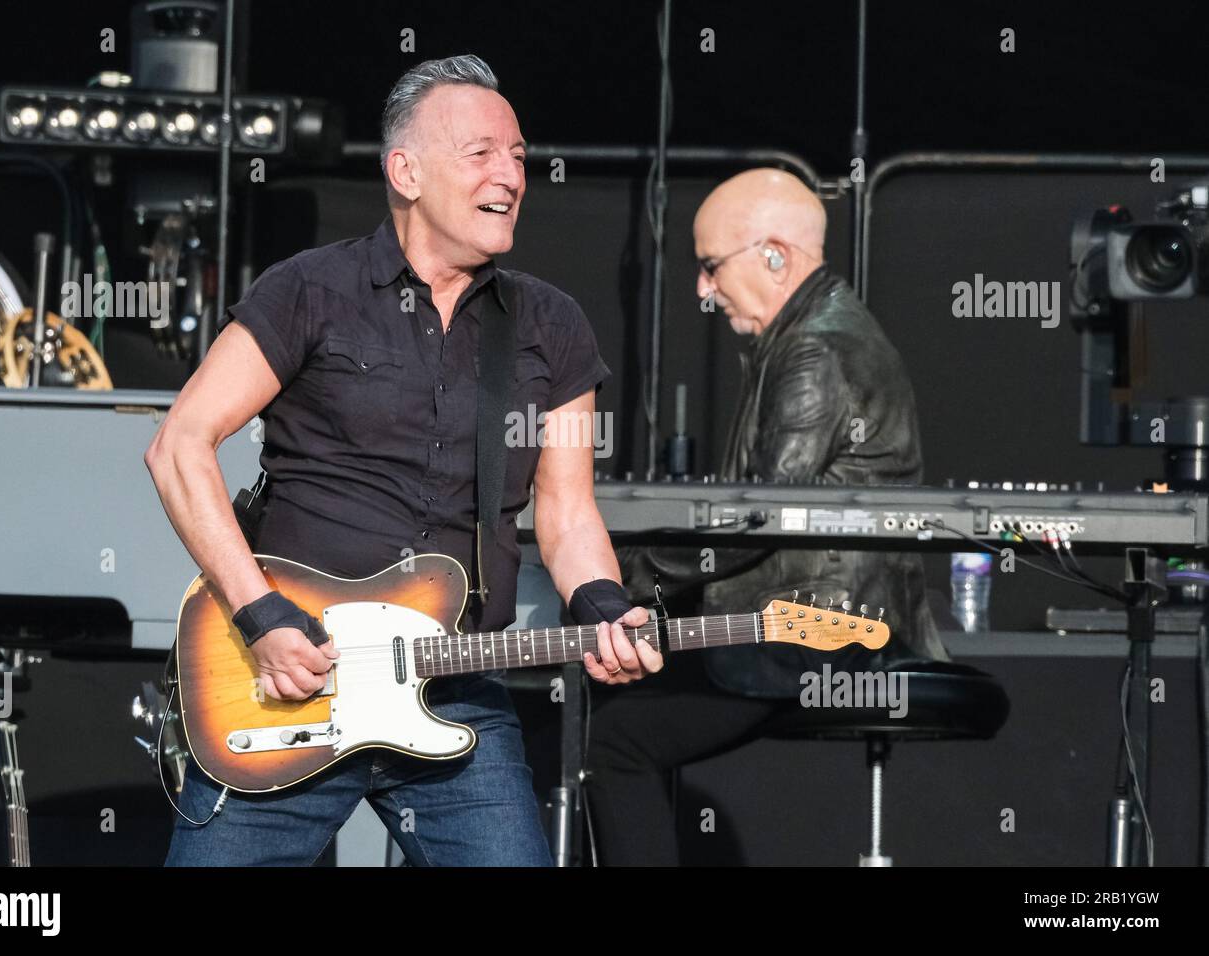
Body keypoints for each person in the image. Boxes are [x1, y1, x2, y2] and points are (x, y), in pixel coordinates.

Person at [145, 54, 661, 867]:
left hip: (455, 689)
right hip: (289, 683)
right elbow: (179, 445)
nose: (510, 176)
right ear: (406, 172)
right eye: (481, 153)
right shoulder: (310, 290)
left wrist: (600, 603)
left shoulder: (551, 325)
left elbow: (567, 513)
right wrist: (259, 616)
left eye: (518, 156)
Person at [584, 168, 948, 866]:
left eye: (711, 265)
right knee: (609, 703)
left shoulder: (816, 349)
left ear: (775, 255)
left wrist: (625, 572)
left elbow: (759, 518)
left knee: (611, 741)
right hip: (810, 625)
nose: (702, 288)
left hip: (824, 636)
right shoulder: (812, 332)